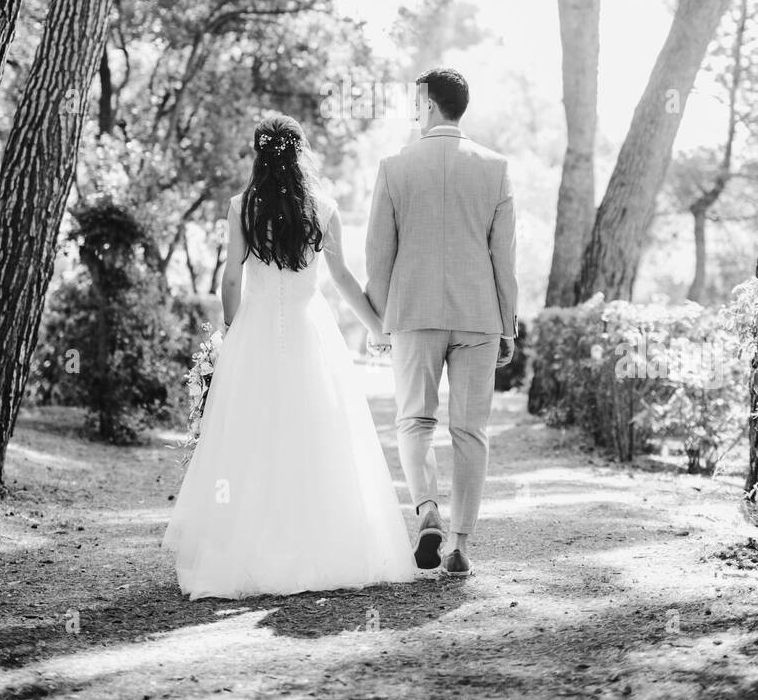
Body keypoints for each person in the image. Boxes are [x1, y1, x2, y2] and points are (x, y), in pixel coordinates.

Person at [163, 113, 416, 599]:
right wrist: (377, 328)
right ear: (299, 153)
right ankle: (321, 547)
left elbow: (231, 278)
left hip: (254, 329)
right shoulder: (322, 206)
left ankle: (245, 549)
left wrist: (229, 332)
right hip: (310, 329)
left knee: (248, 436)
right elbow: (341, 279)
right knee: (316, 432)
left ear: (259, 153)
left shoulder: (242, 206)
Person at [365, 69, 518, 578]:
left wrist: (378, 320)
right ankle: (458, 544)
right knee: (470, 431)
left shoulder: (394, 167)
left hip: (414, 314)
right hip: (479, 316)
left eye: (416, 103)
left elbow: (378, 257)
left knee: (414, 420)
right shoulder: (496, 168)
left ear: (429, 106)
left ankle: (427, 509)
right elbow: (504, 258)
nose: (413, 111)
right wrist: (508, 324)